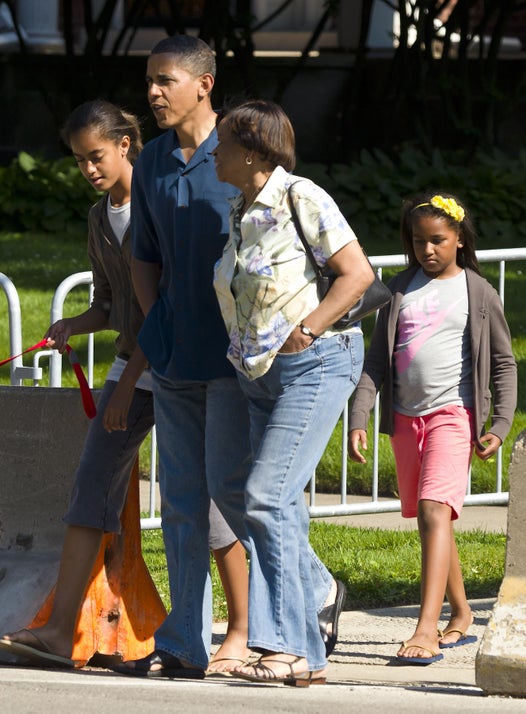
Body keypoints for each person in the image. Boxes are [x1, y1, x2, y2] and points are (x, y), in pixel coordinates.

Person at [0, 98, 250, 675]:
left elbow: (165, 306)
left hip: (178, 364)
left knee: (208, 503)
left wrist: (133, 374)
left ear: (125, 145)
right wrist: (74, 325)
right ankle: (62, 631)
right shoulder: (98, 218)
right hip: (131, 367)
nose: (89, 168)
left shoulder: (160, 204)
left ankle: (241, 628)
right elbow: (112, 306)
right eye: (80, 161)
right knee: (91, 488)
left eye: (96, 156)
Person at [210, 98, 372, 686]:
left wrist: (308, 330)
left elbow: (358, 274)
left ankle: (286, 648)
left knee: (266, 497)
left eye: (223, 142)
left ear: (252, 151)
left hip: (317, 363)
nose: (214, 151)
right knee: (265, 502)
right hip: (259, 374)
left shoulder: (301, 196)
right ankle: (314, 626)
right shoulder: (239, 207)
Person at [111, 35, 254, 680]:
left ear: (205, 85)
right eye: (149, 80)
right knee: (180, 504)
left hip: (234, 362)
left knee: (236, 498)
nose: (152, 93)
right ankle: (183, 642)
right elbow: (144, 254)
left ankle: (291, 606)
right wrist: (159, 320)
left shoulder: (243, 153)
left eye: (165, 80)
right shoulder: (153, 162)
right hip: (174, 358)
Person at [347, 191, 517, 665]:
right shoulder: (398, 290)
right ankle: (461, 613)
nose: (428, 250)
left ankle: (425, 630)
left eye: (438, 241)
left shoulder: (479, 292)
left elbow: (504, 364)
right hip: (406, 420)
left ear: (459, 239)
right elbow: (375, 361)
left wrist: (500, 424)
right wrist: (360, 416)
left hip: (454, 415)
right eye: (419, 242)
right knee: (433, 519)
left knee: (432, 511)